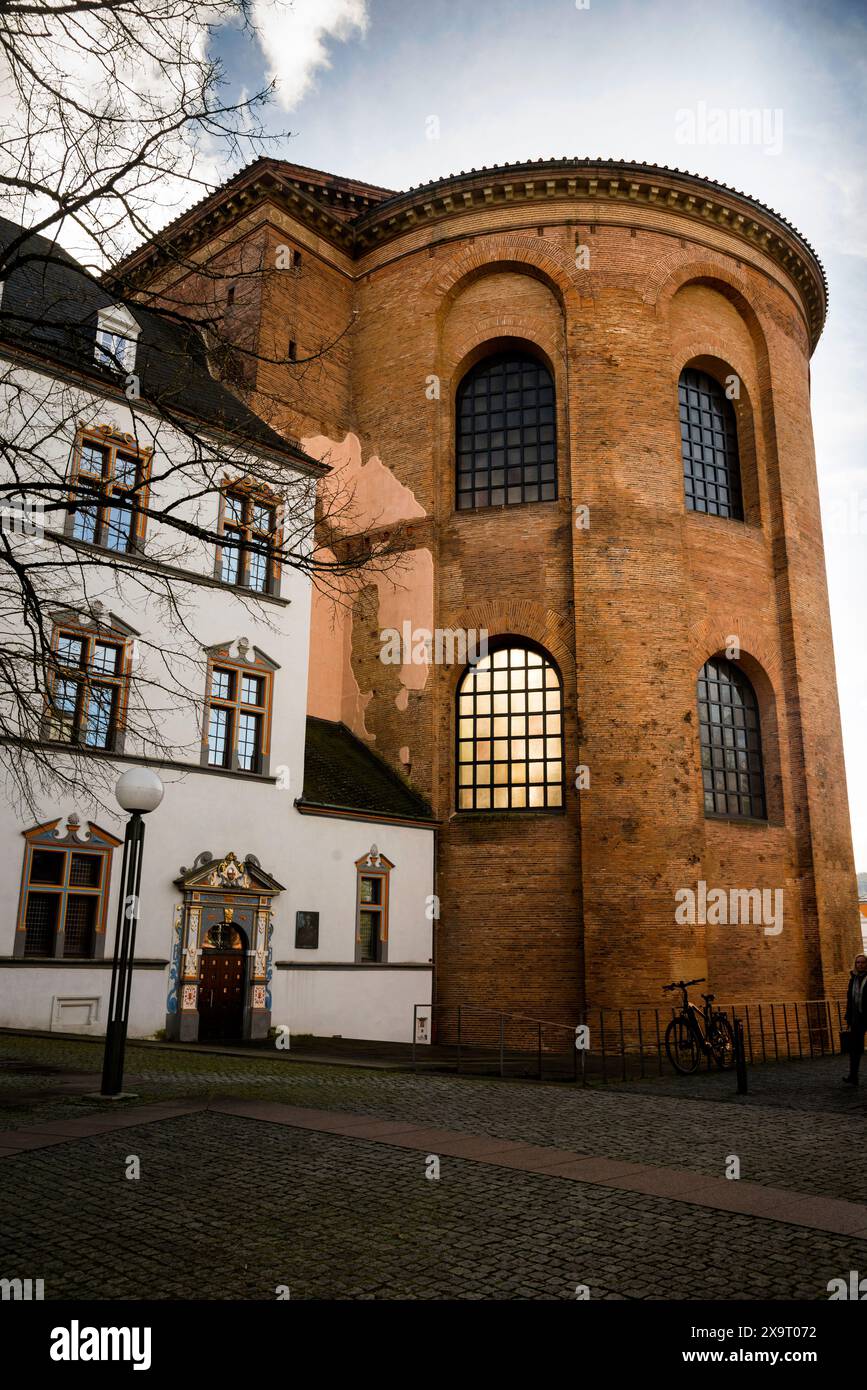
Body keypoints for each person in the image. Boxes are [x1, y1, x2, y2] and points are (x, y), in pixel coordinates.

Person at [843, 953, 867, 1085]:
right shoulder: (853, 979)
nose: (860, 965)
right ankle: (853, 1076)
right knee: (855, 1049)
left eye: (863, 962)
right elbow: (850, 1000)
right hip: (857, 1018)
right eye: (858, 962)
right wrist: (849, 1017)